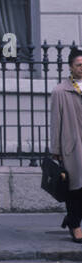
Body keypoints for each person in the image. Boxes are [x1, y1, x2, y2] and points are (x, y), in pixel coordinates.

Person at [50, 45, 82, 243]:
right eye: (79, 65)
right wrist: (56, 150)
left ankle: (71, 219)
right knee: (75, 188)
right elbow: (56, 123)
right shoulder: (60, 91)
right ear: (70, 67)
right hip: (72, 147)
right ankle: (75, 225)